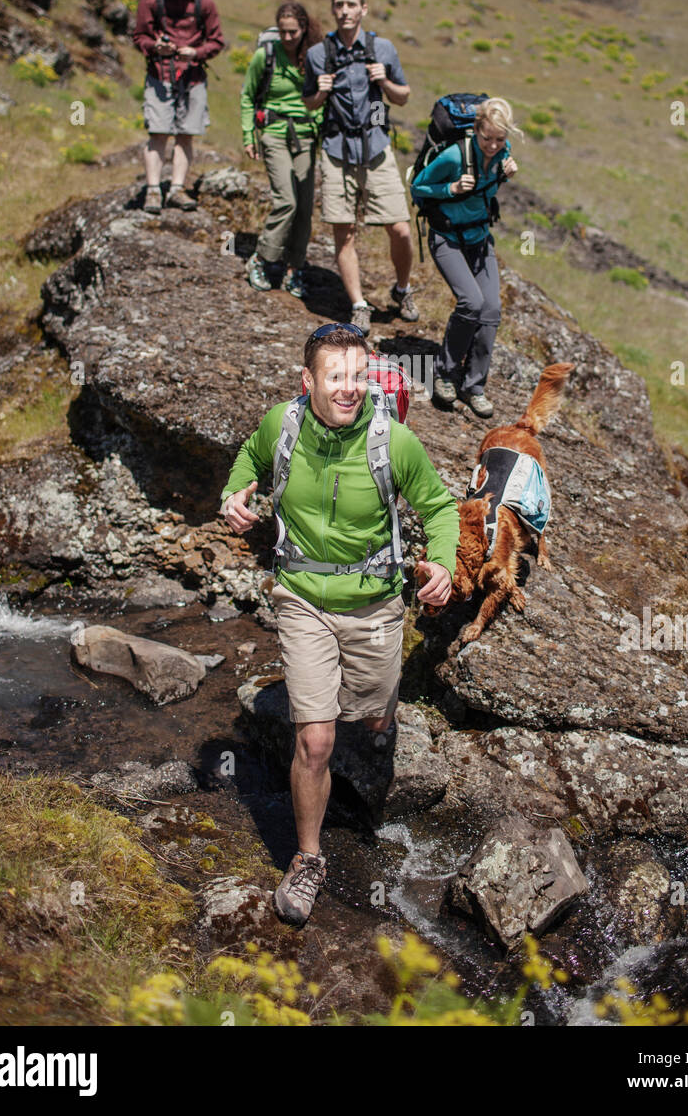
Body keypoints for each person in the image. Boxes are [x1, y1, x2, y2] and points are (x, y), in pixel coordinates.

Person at [220, 322, 459, 925]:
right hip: (301, 596)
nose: (350, 389)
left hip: (376, 604)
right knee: (317, 740)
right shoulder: (284, 425)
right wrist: (235, 492)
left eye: (359, 375)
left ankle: (373, 715)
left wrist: (446, 566)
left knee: (374, 717)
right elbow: (250, 456)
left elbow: (438, 507)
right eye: (336, 377)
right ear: (309, 380)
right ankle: (308, 860)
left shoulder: (393, 441)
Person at [302, 0, 418, 335]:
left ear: (364, 9)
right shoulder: (317, 54)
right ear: (333, 10)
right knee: (344, 230)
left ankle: (402, 289)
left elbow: (403, 97)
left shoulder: (382, 48)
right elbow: (308, 103)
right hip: (337, 148)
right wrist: (320, 92)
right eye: (339, 5)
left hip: (376, 145)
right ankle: (359, 305)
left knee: (399, 227)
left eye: (352, 4)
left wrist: (385, 82)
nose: (345, 10)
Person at [410, 97, 521, 418]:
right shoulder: (454, 155)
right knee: (471, 302)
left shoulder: (503, 153)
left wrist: (507, 172)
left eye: (500, 139)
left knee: (492, 309)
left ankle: (474, 386)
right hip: (447, 237)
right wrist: (452, 188)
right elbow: (418, 185)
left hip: (479, 237)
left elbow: (493, 182)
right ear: (477, 129)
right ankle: (444, 374)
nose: (493, 145)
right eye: (487, 138)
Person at [240, 1, 324, 298]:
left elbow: (320, 98)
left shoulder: (313, 59)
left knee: (304, 205)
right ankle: (262, 259)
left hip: (305, 135)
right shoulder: (266, 56)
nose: (288, 37)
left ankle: (295, 268)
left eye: (294, 32)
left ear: (304, 29)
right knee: (286, 200)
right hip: (274, 133)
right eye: (283, 31)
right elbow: (248, 96)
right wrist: (249, 134)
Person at [132, 0, 224, 213]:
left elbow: (217, 41)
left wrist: (195, 52)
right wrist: (155, 48)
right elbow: (139, 36)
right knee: (157, 132)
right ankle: (152, 191)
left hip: (193, 76)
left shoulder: (204, 3)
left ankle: (177, 189)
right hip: (160, 76)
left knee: (186, 134)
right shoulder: (151, 1)